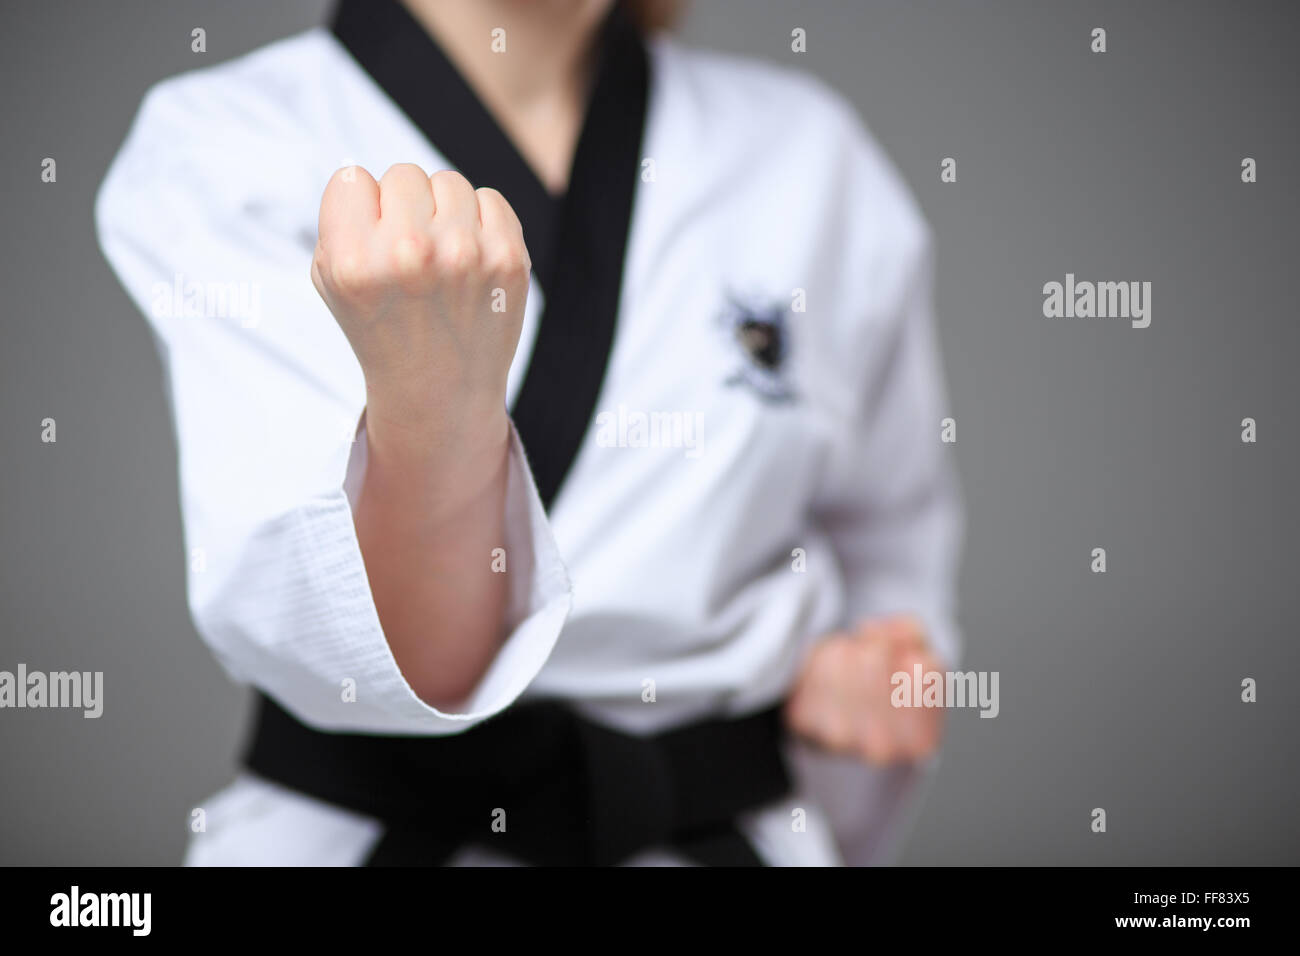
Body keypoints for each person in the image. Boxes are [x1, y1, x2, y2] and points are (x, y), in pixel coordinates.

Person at [96, 0, 963, 866]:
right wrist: (434, 404)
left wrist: (869, 672)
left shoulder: (808, 156)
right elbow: (394, 664)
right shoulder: (230, 140)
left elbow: (890, 549)